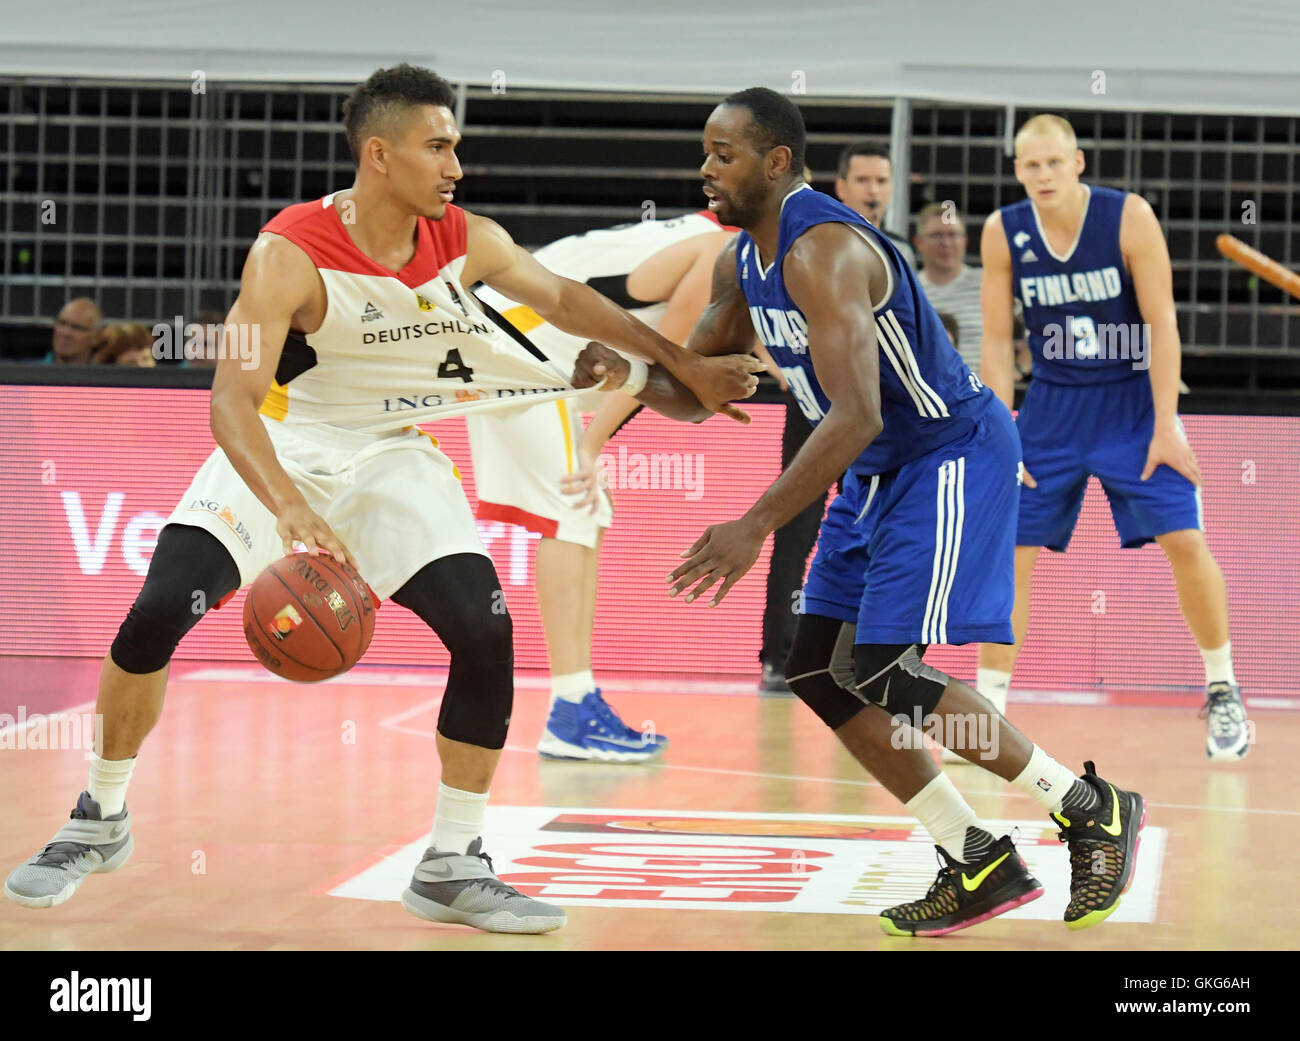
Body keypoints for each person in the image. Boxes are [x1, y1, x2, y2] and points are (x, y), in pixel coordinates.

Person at [3, 64, 760, 932]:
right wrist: (287, 507)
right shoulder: (288, 250)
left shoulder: (465, 237)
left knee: (486, 629)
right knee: (156, 610)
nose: (455, 166)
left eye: (456, 147)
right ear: (379, 154)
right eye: (438, 146)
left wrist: (685, 362)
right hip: (285, 444)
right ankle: (100, 817)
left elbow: (566, 298)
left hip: (394, 450)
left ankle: (452, 861)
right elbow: (228, 402)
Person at [622, 87, 1148, 935]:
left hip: (946, 450)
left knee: (886, 669)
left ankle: (1092, 807)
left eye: (724, 154)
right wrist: (618, 370)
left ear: (777, 161)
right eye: (706, 152)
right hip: (874, 466)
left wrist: (754, 524)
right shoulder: (740, 264)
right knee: (814, 668)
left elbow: (859, 410)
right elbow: (694, 387)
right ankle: (975, 855)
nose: (706, 169)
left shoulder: (822, 249)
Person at [977, 114, 1249, 762]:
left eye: (1052, 162)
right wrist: (1002, 436)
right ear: (1017, 170)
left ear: (1077, 163)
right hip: (1051, 407)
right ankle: (987, 708)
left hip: (1132, 402)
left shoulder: (1129, 217)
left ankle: (1222, 687)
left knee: (1184, 538)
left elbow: (1162, 322)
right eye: (1029, 165)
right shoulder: (1002, 230)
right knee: (1009, 555)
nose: (1041, 175)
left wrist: (1164, 424)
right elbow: (992, 339)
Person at [466, 209, 743, 761]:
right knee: (573, 507)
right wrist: (591, 448)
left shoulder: (695, 234)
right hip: (513, 337)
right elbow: (662, 357)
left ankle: (576, 702)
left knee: (584, 514)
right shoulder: (721, 252)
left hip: (531, 339)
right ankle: (570, 709)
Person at [914, 203, 983, 372]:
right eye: (936, 235)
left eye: (952, 235)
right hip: (926, 394)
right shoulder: (909, 290)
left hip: (984, 393)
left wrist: (1018, 369)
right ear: (918, 242)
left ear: (965, 241)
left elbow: (1034, 323)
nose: (945, 243)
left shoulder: (988, 283)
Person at [833, 142, 916, 271]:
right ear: (841, 187)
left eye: (881, 181)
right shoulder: (821, 244)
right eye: (862, 180)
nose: (873, 190)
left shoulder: (901, 250)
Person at [47, 297, 102, 364]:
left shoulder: (107, 373)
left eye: (77, 327)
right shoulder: (31, 371)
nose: (66, 333)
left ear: (96, 338)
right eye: (62, 323)